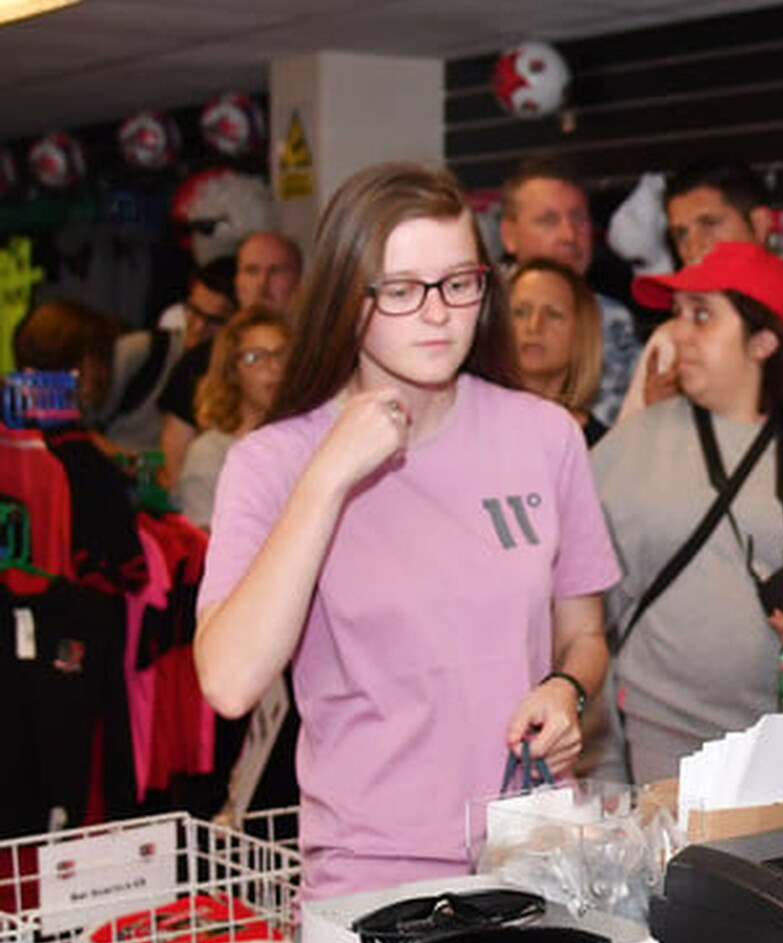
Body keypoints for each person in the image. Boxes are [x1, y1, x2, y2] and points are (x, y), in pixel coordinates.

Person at [194, 161, 621, 900]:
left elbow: (583, 635)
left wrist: (564, 689)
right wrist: (328, 478)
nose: (437, 313)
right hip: (371, 874)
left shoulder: (544, 435)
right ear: (345, 298)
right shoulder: (274, 461)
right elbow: (230, 682)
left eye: (459, 282)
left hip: (535, 851)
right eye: (401, 290)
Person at [592, 242, 783, 780]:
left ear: (762, 341)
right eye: (678, 314)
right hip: (661, 742)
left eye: (703, 316)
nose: (678, 333)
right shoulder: (633, 442)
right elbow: (585, 603)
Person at [616, 156, 783, 423]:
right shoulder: (670, 338)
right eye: (681, 234)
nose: (694, 246)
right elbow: (621, 457)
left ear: (759, 224)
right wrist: (656, 419)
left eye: (710, 224)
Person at [499, 155, 641, 429]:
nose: (569, 235)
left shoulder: (613, 319)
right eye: (548, 220)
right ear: (509, 235)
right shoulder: (474, 314)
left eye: (578, 218)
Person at [161, 233, 304, 490]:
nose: (263, 283)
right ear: (237, 281)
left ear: (300, 279)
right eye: (251, 271)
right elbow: (175, 472)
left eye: (277, 271)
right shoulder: (195, 364)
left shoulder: (327, 355)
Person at [172, 305, 287, 528]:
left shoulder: (310, 441)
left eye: (282, 354)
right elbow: (206, 548)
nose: (274, 367)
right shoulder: (211, 453)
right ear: (232, 372)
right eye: (255, 357)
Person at [508, 257, 607, 446]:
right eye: (520, 312)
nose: (534, 326)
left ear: (582, 333)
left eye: (553, 314)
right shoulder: (468, 421)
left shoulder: (602, 448)